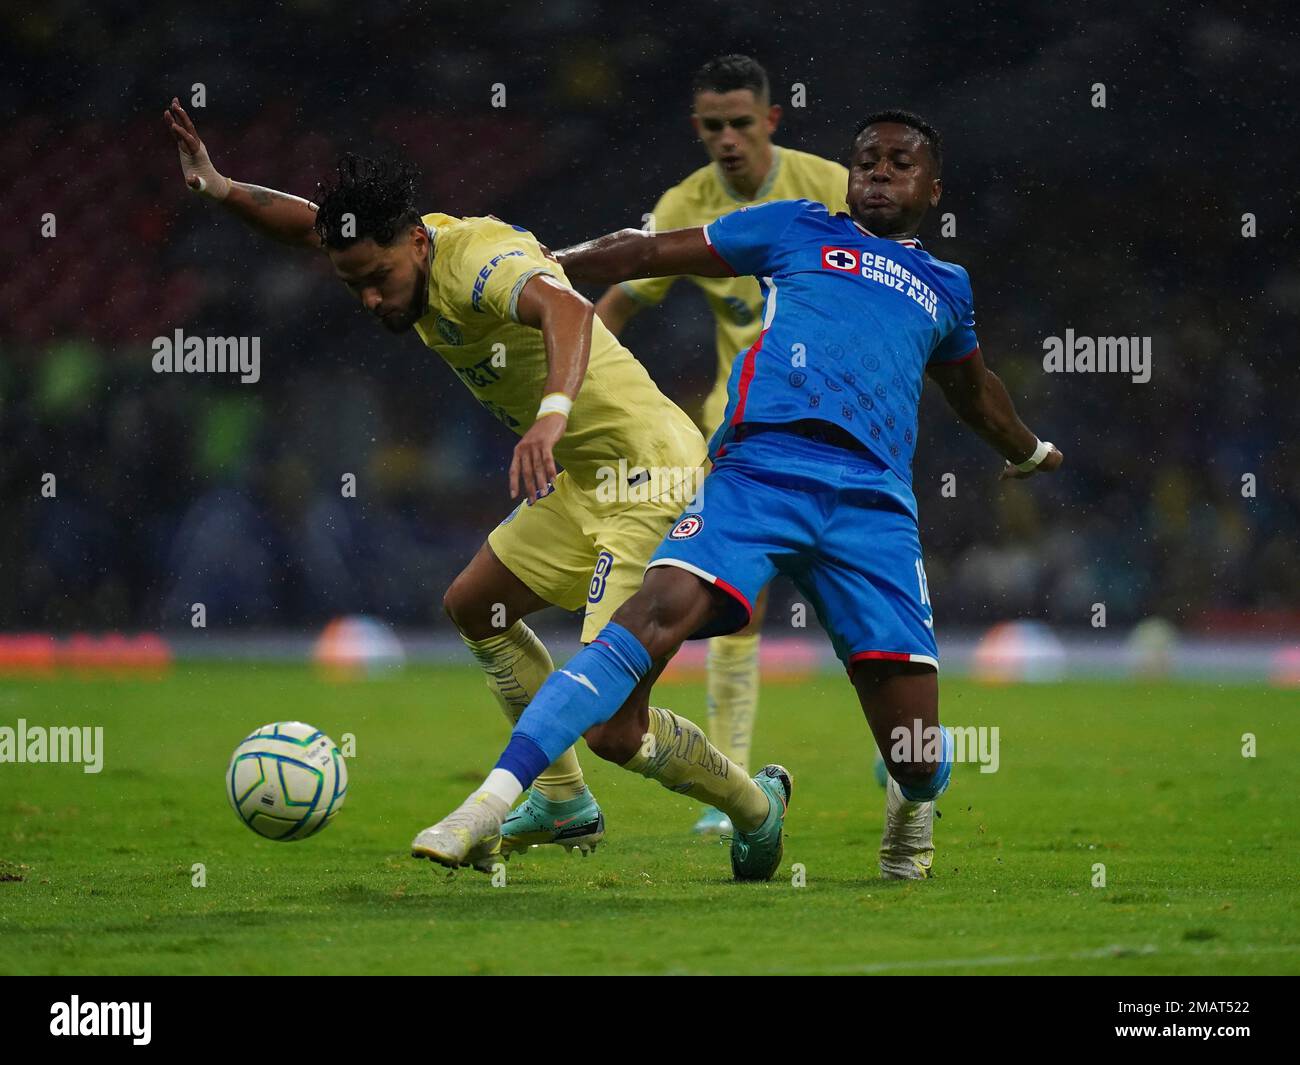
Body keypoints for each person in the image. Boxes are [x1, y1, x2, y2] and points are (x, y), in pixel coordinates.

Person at [413, 110, 1063, 881]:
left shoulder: (945, 286)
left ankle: (912, 798)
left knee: (914, 752)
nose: (879, 174)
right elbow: (650, 251)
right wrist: (549, 263)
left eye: (899, 163)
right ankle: (491, 799)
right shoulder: (795, 228)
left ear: (934, 187)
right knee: (645, 617)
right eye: (865, 162)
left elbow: (975, 391)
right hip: (758, 473)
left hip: (872, 503)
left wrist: (1028, 450)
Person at [163, 98, 787, 868]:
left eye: (379, 277)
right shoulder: (395, 254)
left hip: (649, 473)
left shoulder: (478, 262)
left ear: (418, 244)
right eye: (353, 282)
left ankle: (757, 807)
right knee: (475, 604)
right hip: (588, 477)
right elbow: (311, 225)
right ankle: (563, 799)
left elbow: (566, 306)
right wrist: (222, 187)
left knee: (616, 729)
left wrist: (551, 416)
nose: (368, 297)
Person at [594, 54, 849, 835]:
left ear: (772, 120)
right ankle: (734, 781)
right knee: (739, 602)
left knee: (861, 596)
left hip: (840, 421)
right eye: (714, 126)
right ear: (697, 128)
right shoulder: (685, 202)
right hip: (735, 430)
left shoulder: (832, 187)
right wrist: (574, 388)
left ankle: (913, 737)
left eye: (742, 123)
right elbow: (620, 299)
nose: (729, 139)